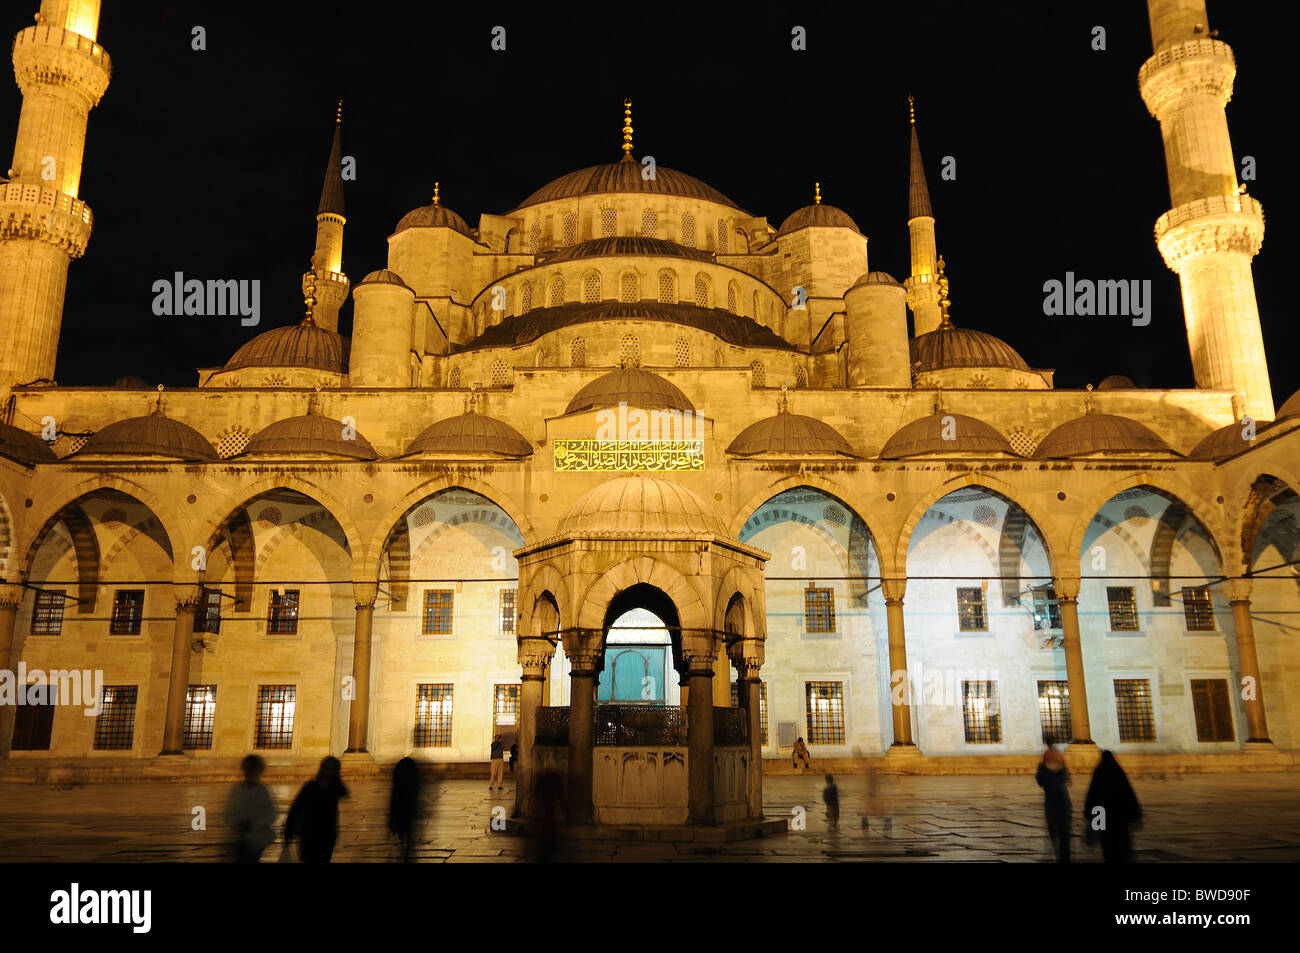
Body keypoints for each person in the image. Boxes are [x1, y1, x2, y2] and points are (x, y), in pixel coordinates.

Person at [285, 755, 350, 863]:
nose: (327, 772)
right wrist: (289, 830)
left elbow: (344, 792)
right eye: (325, 768)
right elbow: (296, 808)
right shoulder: (310, 787)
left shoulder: (334, 787)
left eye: (330, 769)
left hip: (326, 834)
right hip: (308, 834)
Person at [1085, 750, 1143, 863]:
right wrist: (1135, 816)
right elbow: (1129, 796)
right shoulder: (1119, 774)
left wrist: (1090, 817)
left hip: (1104, 819)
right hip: (1120, 821)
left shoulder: (1099, 774)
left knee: (1108, 850)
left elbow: (1092, 797)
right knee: (1122, 850)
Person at [223, 754, 276, 863]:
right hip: (242, 839)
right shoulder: (238, 790)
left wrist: (253, 823)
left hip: (254, 840)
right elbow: (228, 813)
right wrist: (238, 823)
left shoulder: (261, 790)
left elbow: (270, 814)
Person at [1035, 743, 1071, 862]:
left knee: (1052, 828)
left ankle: (1057, 852)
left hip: (1050, 803)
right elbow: (1066, 779)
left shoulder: (1043, 768)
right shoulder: (1061, 765)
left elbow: (1040, 781)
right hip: (1063, 802)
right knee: (1064, 832)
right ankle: (1065, 856)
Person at [388, 756, 421, 863]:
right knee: (408, 828)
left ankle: (404, 846)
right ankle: (407, 847)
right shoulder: (413, 781)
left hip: (399, 807)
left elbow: (394, 796)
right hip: (407, 807)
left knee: (402, 828)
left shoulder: (398, 783)